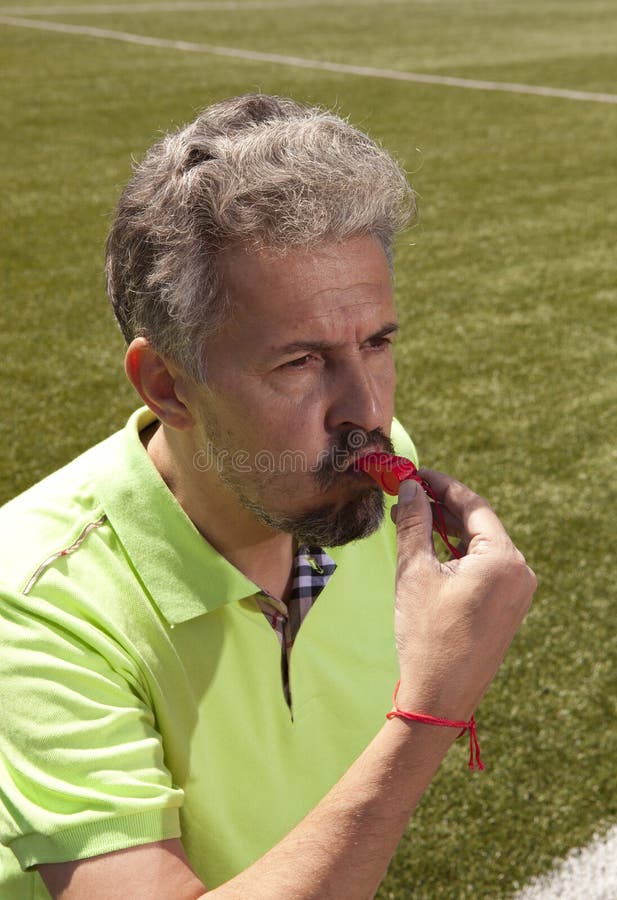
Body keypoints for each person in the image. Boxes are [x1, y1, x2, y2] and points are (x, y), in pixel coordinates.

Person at [0, 94, 536, 899]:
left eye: (377, 342)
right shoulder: (33, 605)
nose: (369, 412)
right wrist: (431, 710)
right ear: (167, 385)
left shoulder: (365, 490)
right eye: (299, 362)